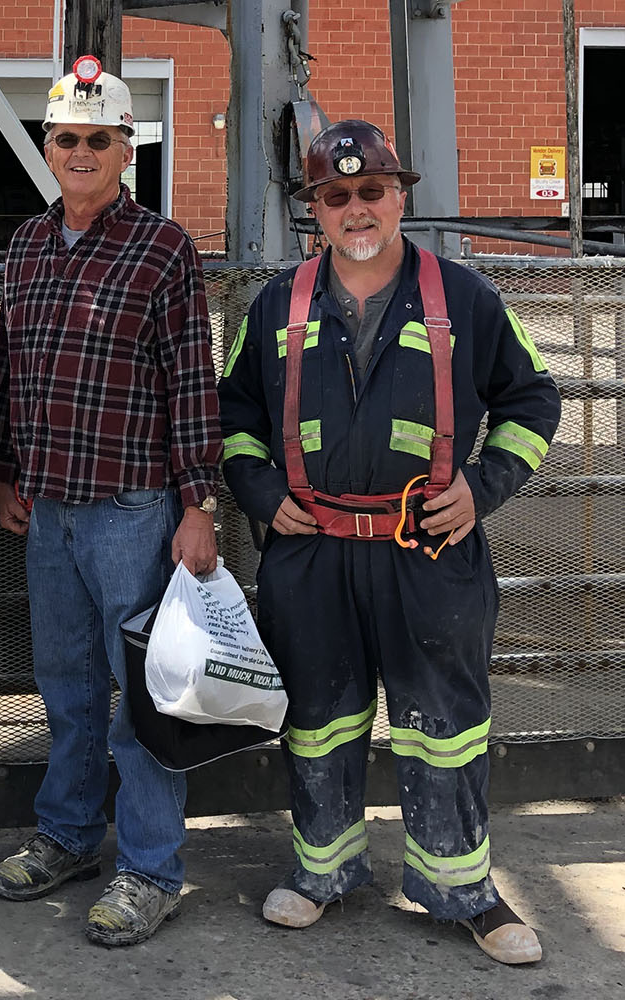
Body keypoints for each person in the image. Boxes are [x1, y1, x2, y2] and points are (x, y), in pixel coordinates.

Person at [218, 119, 560, 965]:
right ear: (315, 211)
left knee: (445, 725)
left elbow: (534, 400)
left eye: (371, 191)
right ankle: (322, 872)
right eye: (336, 196)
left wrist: (483, 487)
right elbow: (232, 413)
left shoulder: (466, 298)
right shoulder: (277, 305)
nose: (356, 209)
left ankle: (462, 890)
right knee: (318, 719)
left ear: (399, 197)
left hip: (429, 552)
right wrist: (261, 492)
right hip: (313, 553)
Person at [0, 55, 221, 948]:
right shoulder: (27, 244)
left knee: (147, 694)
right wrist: (6, 469)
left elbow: (191, 382)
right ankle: (70, 835)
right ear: (47, 147)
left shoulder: (164, 248)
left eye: (97, 138)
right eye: (65, 138)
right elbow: (12, 369)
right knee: (67, 687)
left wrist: (197, 504)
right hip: (47, 507)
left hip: (133, 510)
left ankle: (152, 869)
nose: (79, 151)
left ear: (128, 148)